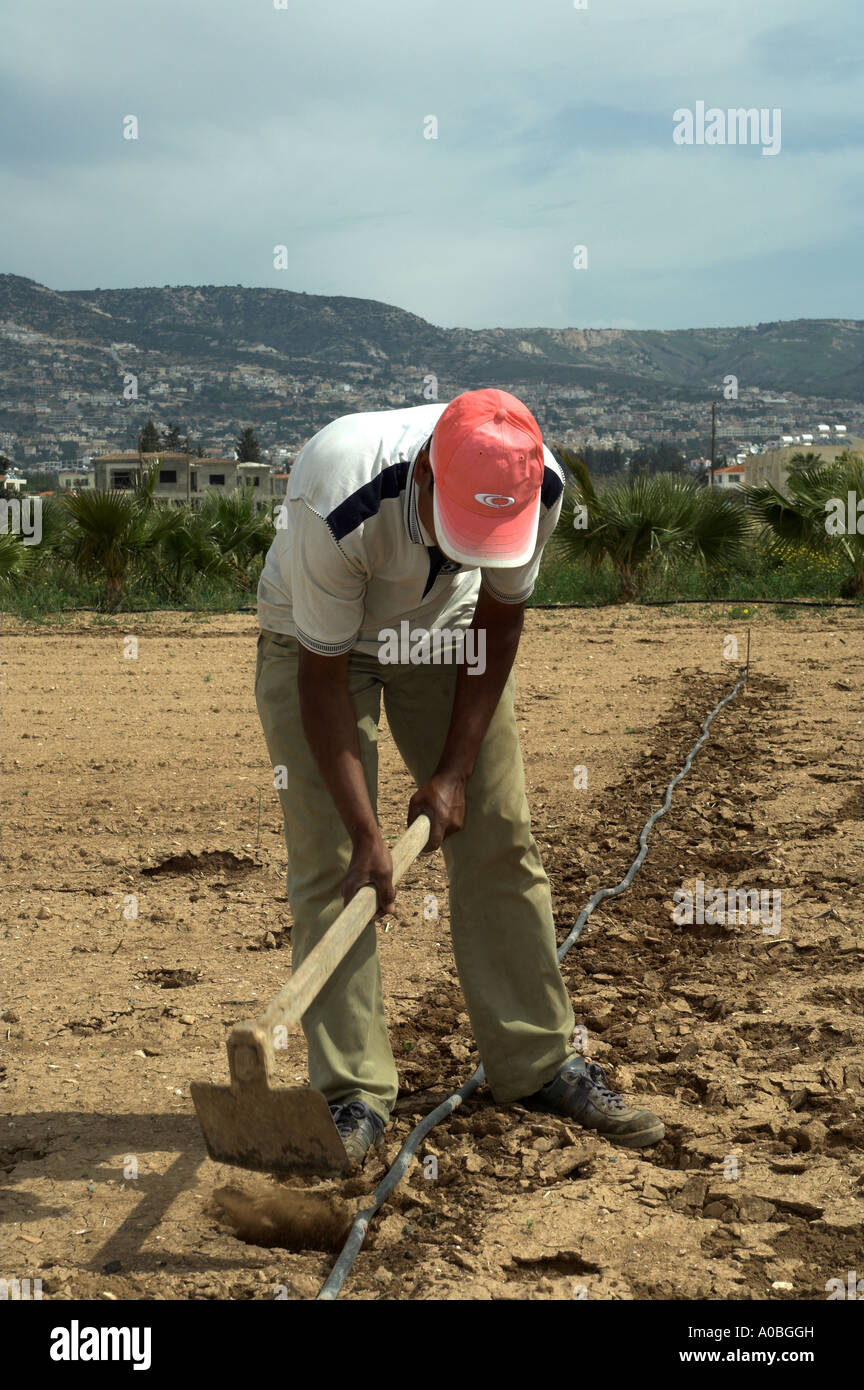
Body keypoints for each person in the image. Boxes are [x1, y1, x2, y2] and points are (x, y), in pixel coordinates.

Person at [255, 388, 664, 1165]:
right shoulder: (339, 491)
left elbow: (500, 620)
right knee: (333, 862)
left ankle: (538, 1061)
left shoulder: (538, 484)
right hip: (316, 647)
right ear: (426, 478)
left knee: (499, 835)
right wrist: (367, 834)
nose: (475, 547)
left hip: (448, 639)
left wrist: (455, 770)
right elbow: (322, 678)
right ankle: (351, 1092)